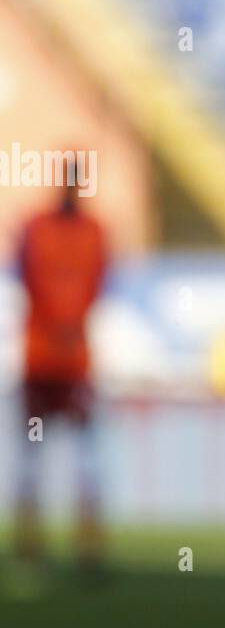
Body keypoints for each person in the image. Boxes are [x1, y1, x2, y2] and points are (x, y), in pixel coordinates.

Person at [14, 184, 108, 568]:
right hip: (42, 362)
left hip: (73, 363)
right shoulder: (37, 228)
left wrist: (68, 322)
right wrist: (60, 322)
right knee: (33, 455)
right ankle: (30, 544)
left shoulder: (93, 232)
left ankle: (87, 545)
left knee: (85, 456)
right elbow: (27, 279)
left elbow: (97, 284)